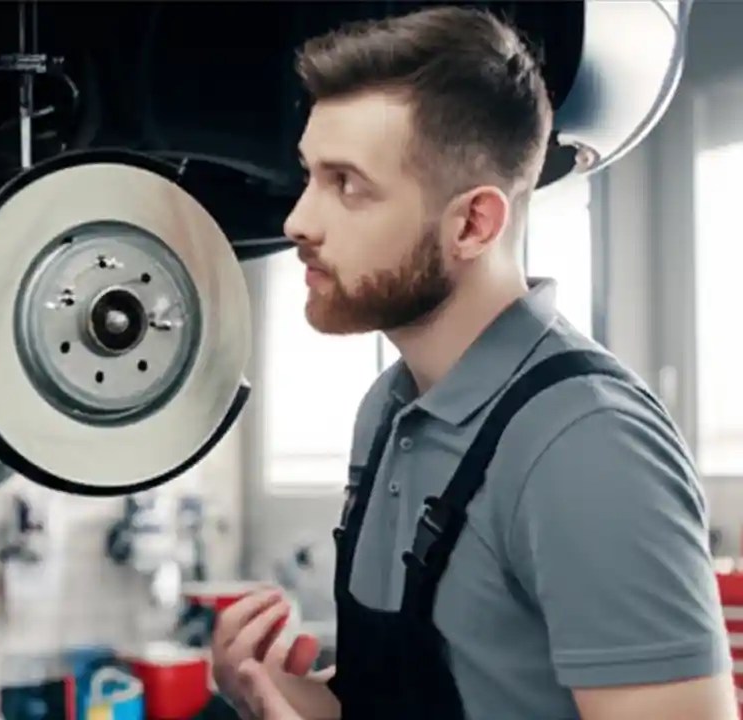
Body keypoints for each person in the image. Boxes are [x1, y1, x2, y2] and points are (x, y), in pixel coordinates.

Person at [210, 6, 737, 720]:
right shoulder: (390, 410)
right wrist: (275, 695)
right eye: (308, 175)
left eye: (346, 184)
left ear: (472, 224)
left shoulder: (587, 446)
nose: (297, 220)